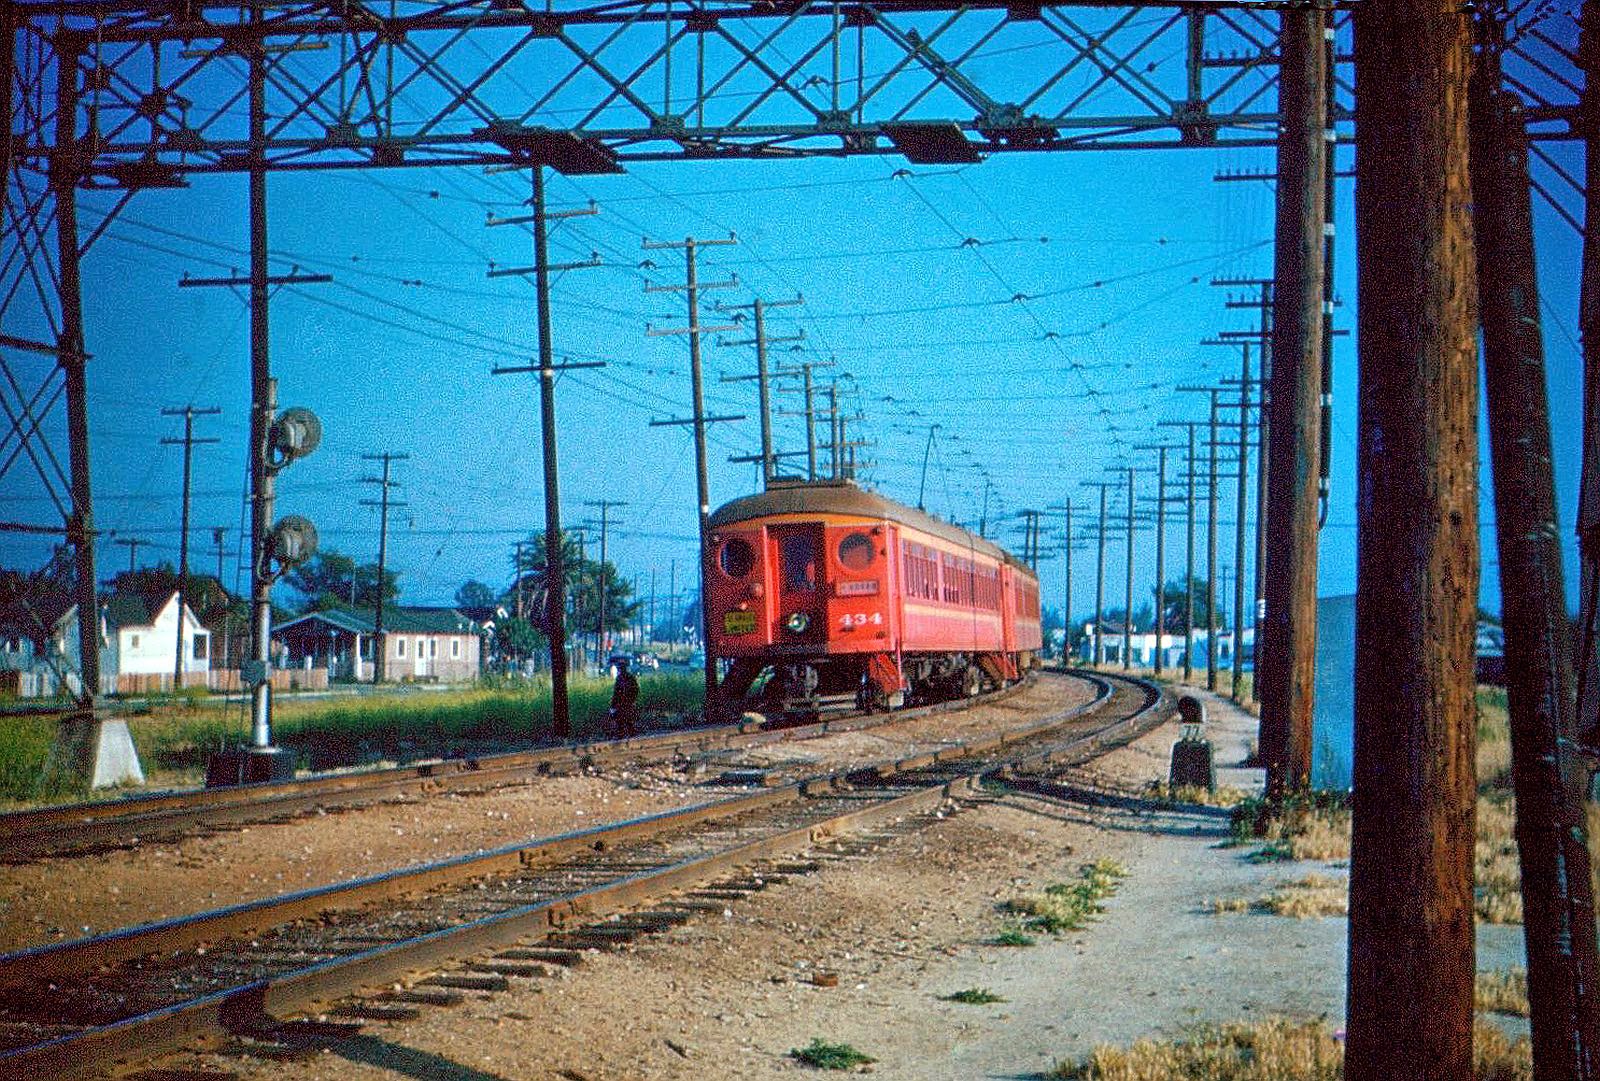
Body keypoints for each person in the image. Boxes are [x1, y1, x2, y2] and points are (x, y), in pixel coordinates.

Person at [608, 656, 640, 739]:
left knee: (624, 723)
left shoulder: (622, 679)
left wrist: (613, 706)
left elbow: (616, 693)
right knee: (627, 723)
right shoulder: (629, 678)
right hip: (626, 704)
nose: (620, 670)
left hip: (623, 704)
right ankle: (629, 739)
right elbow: (635, 690)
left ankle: (625, 738)